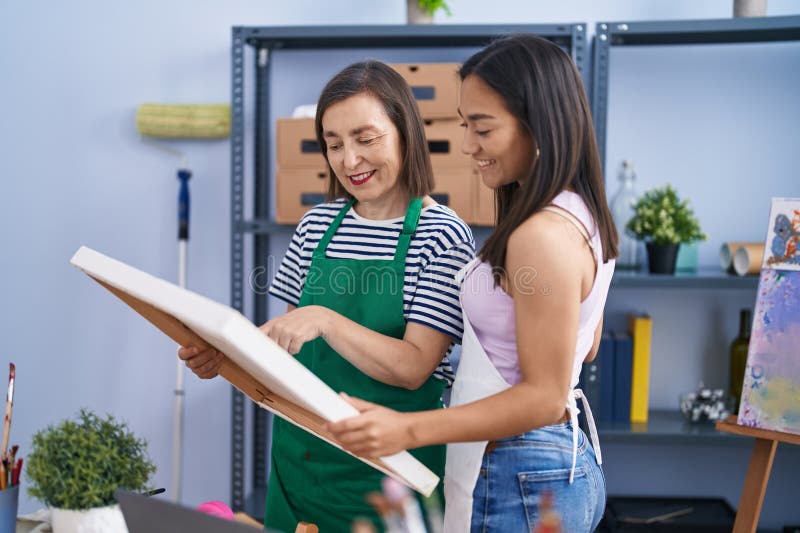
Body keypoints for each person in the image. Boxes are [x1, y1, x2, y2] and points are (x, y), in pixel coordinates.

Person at [328, 35, 618, 533]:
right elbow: (584, 346)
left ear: (539, 123)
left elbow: (544, 397)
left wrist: (405, 429)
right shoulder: (581, 213)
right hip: (554, 465)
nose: (467, 145)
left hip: (518, 471)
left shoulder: (541, 236)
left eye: (482, 128)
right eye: (465, 125)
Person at [179, 60, 475, 532]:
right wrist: (226, 358)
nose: (349, 160)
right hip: (300, 464)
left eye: (366, 138)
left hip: (387, 475)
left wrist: (326, 319)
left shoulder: (442, 234)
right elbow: (288, 353)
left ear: (405, 132)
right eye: (334, 144)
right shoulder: (316, 225)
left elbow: (415, 366)